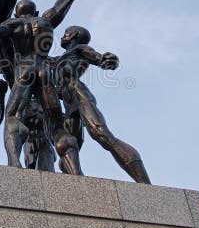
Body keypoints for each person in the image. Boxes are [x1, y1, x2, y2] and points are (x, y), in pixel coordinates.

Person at [0, 0, 83, 175]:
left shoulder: (13, 25)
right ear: (36, 10)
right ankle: (76, 171)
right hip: (45, 70)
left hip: (24, 72)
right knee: (56, 125)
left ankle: (15, 164)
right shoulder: (45, 20)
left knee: (13, 116)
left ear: (17, 14)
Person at [54, 25, 151, 183]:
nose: (62, 36)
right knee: (67, 151)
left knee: (102, 134)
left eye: (65, 33)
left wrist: (105, 60)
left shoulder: (79, 49)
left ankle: (145, 183)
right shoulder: (60, 59)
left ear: (73, 34)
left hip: (79, 94)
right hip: (69, 106)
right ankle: (74, 190)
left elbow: (96, 57)